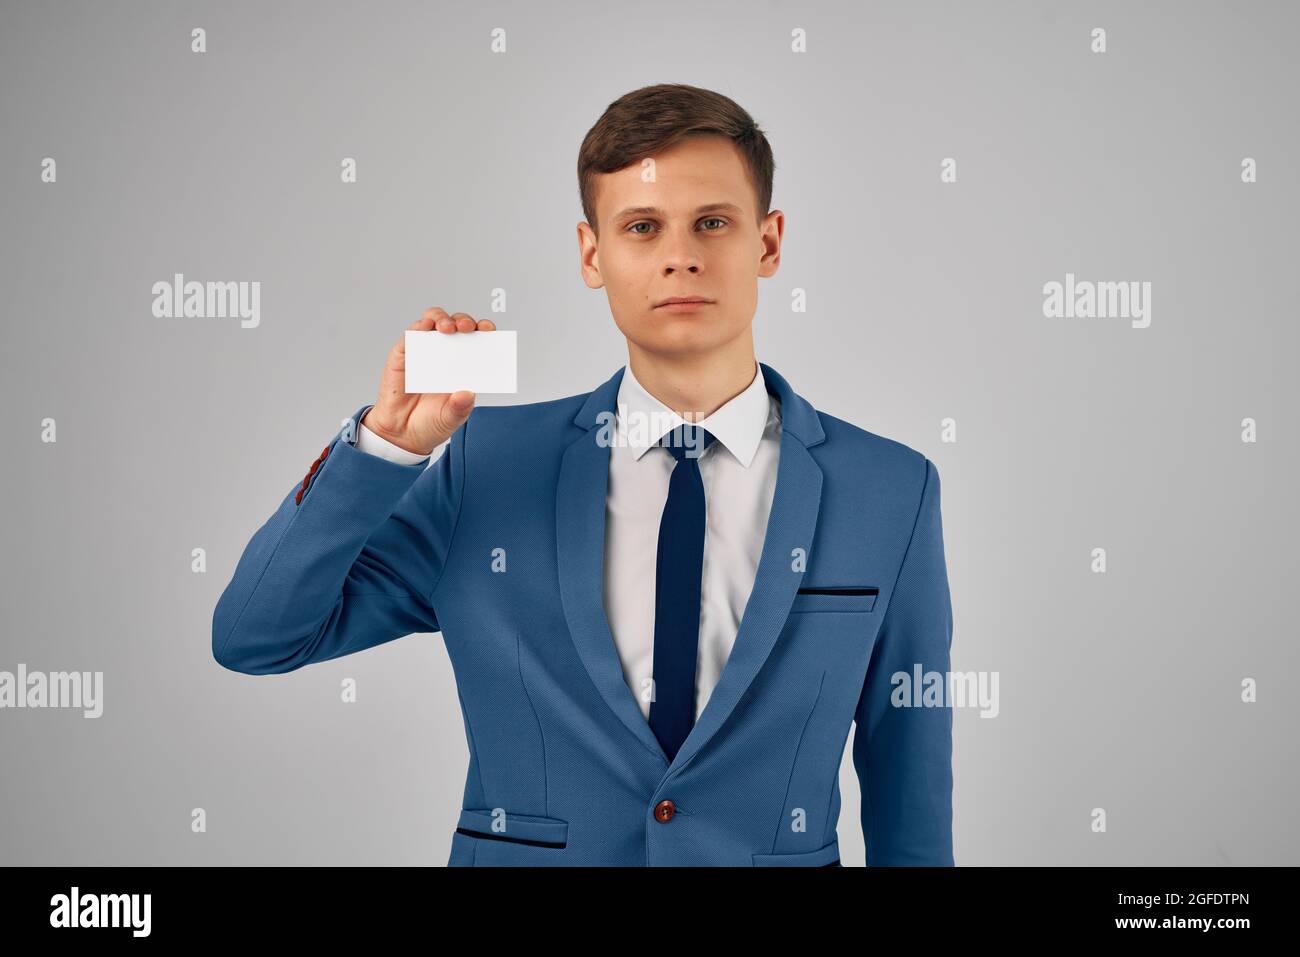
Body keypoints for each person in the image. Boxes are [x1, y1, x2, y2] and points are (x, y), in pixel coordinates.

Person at [212, 82, 954, 867]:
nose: (681, 255)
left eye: (713, 222)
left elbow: (912, 797)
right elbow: (257, 635)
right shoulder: (487, 467)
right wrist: (386, 448)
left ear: (768, 244)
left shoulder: (892, 492)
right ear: (592, 254)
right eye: (642, 227)